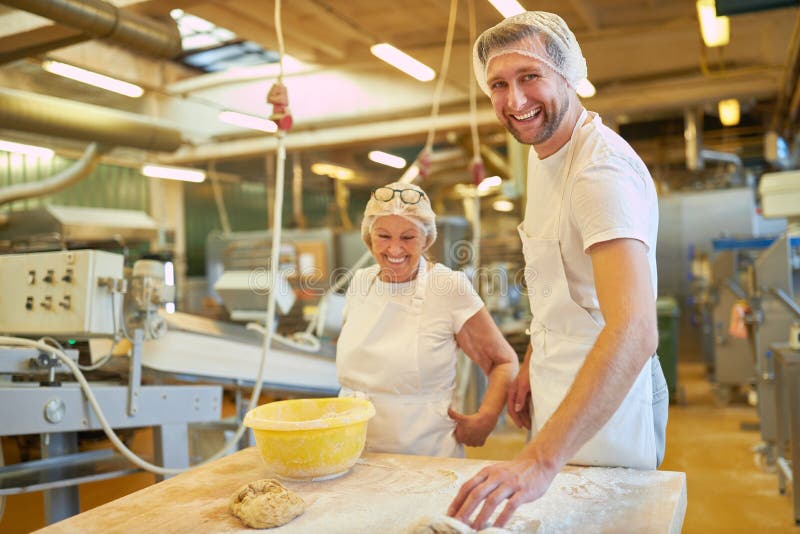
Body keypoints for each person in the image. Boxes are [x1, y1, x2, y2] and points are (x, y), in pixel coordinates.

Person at [447, 11, 669, 528]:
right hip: (558, 385)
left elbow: (635, 330)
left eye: (530, 77)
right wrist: (532, 361)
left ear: (568, 75)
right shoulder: (546, 150)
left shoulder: (600, 174)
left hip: (609, 406)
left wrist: (538, 458)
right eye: (499, 84)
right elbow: (567, 288)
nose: (515, 101)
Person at [336, 181, 519, 458]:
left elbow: (503, 361)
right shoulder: (361, 283)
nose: (395, 249)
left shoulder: (447, 287)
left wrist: (487, 418)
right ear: (369, 237)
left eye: (408, 237)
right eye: (384, 236)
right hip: (352, 454)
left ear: (426, 239)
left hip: (424, 457)